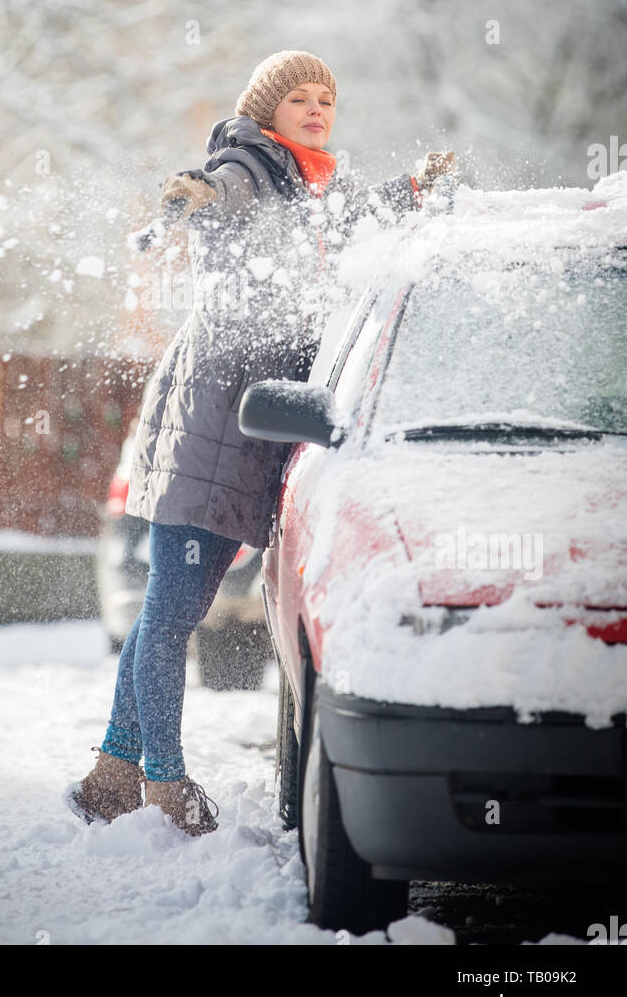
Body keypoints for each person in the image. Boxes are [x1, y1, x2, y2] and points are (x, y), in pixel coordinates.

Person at [66, 50, 454, 836]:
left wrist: (414, 188)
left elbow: (359, 217)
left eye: (326, 99)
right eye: (300, 99)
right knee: (174, 612)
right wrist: (196, 194)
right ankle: (163, 784)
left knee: (179, 608)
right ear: (267, 110)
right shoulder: (249, 163)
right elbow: (223, 189)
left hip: (253, 426)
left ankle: (112, 770)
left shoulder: (319, 186)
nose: (316, 110)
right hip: (208, 418)